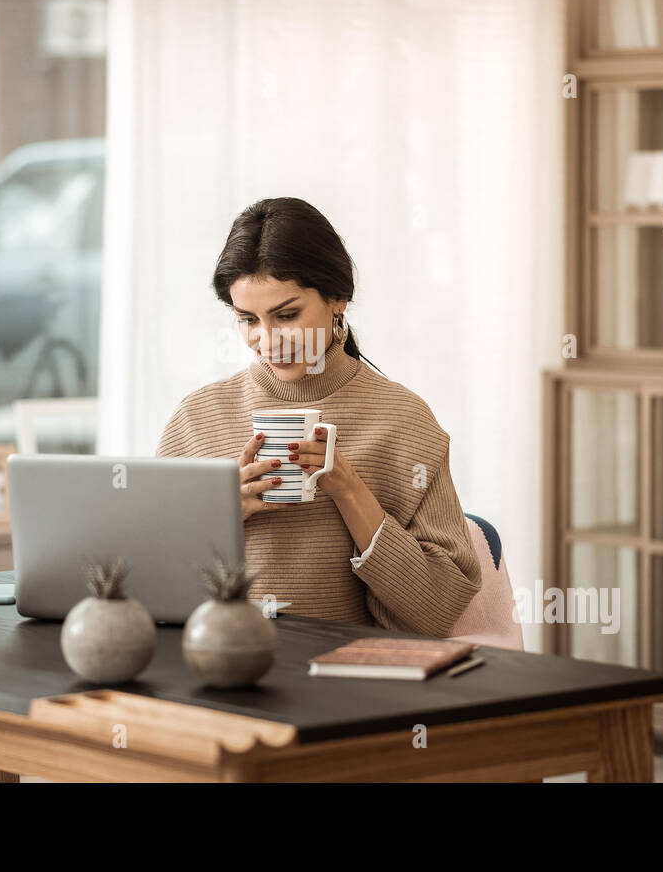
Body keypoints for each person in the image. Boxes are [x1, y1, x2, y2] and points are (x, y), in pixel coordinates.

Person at [156, 197, 480, 637]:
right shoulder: (196, 419)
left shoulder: (405, 422)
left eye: (287, 315)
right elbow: (148, 587)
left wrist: (350, 491)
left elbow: (439, 610)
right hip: (216, 665)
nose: (267, 340)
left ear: (337, 298)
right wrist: (214, 517)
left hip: (346, 679)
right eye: (247, 319)